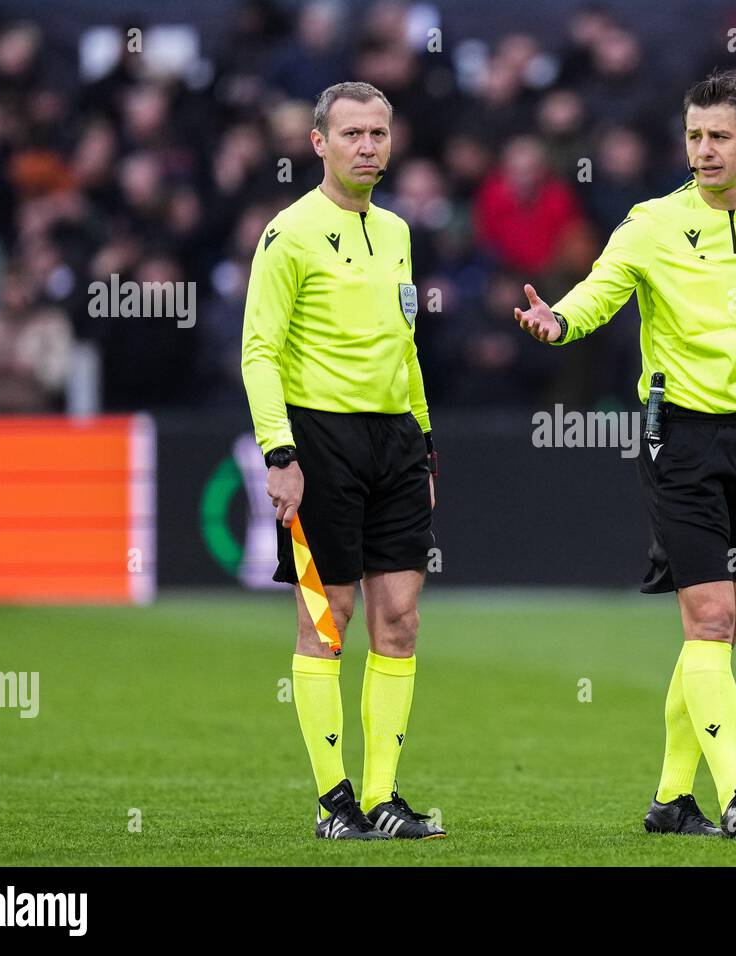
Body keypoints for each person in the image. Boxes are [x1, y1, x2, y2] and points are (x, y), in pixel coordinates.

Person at [513, 72, 736, 839]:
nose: (703, 150)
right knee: (710, 619)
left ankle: (670, 801)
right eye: (693, 136)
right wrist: (560, 322)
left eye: (718, 136)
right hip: (678, 436)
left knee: (721, 630)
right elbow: (599, 290)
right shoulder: (651, 223)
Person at [241, 81, 443, 841]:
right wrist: (279, 451)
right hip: (320, 440)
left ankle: (385, 799)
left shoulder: (395, 231)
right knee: (328, 622)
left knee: (400, 619)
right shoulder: (288, 233)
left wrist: (423, 439)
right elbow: (258, 350)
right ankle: (335, 804)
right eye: (352, 133)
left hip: (394, 440)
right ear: (318, 142)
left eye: (379, 134)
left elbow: (405, 344)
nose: (368, 146)